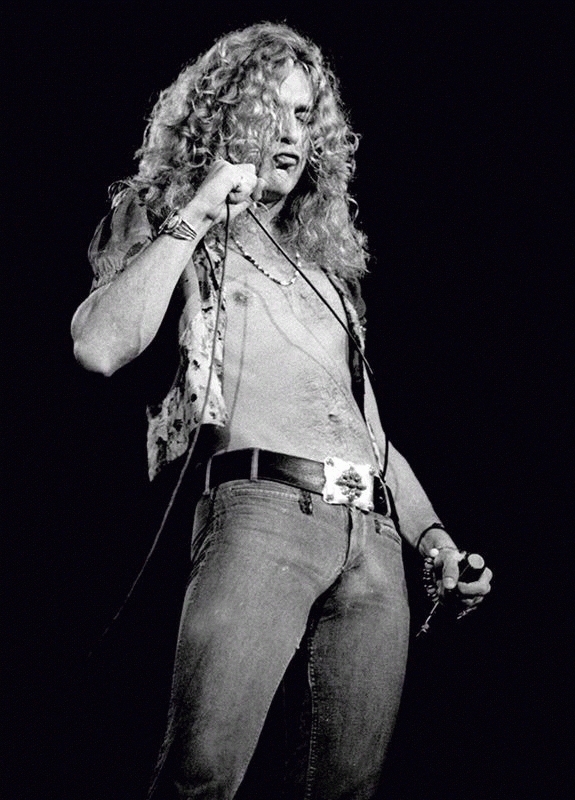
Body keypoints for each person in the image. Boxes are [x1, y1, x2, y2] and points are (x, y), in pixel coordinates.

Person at [71, 22, 492, 800]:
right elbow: (100, 346)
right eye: (274, 112)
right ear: (224, 116)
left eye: (307, 117)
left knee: (346, 788)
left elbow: (372, 433)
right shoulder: (177, 226)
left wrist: (431, 535)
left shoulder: (323, 275)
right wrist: (198, 207)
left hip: (370, 543)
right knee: (202, 776)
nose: (294, 136)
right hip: (263, 511)